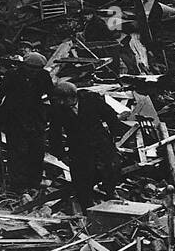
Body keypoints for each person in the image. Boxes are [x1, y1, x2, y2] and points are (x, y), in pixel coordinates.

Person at [48, 82, 123, 211]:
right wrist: (61, 155)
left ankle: (111, 192)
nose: (60, 103)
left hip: (99, 141)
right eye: (58, 100)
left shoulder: (91, 100)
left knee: (109, 168)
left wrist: (116, 135)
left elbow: (110, 115)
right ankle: (87, 206)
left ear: (72, 97)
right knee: (81, 175)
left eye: (63, 100)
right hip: (78, 145)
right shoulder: (58, 110)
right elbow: (55, 134)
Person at [0, 51, 55, 189]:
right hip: (14, 116)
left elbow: (51, 94)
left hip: (35, 116)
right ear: (24, 65)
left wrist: (55, 113)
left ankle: (34, 181)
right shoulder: (12, 74)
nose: (33, 72)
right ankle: (18, 183)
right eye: (31, 68)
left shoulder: (43, 76)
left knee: (37, 149)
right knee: (17, 150)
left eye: (37, 69)